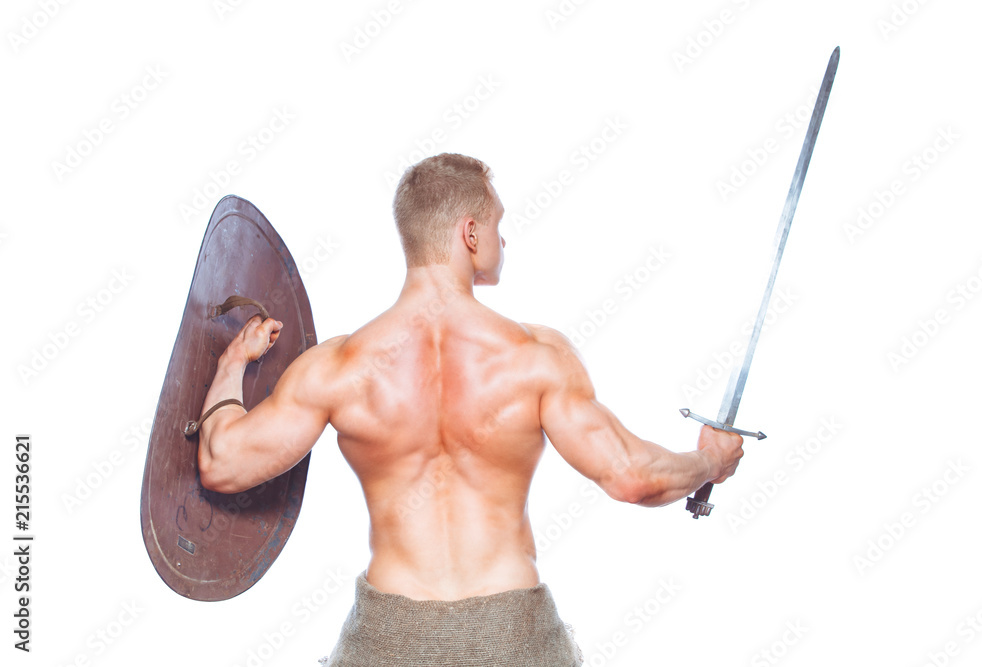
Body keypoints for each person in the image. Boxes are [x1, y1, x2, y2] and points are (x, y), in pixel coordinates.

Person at [195, 153, 745, 666]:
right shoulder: (534, 358)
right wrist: (709, 463)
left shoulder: (338, 367)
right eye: (497, 224)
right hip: (514, 637)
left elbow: (223, 463)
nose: (503, 238)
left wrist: (233, 361)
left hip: (388, 640)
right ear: (470, 232)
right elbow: (633, 477)